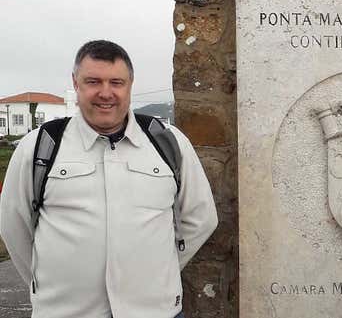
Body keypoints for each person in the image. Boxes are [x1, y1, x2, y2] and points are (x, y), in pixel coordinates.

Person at [0, 40, 218, 318]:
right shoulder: (40, 145)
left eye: (116, 82)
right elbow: (13, 226)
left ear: (130, 85)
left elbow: (201, 218)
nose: (106, 93)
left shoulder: (167, 141)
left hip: (155, 311)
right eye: (93, 81)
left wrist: (157, 271)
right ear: (75, 84)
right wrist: (49, 283)